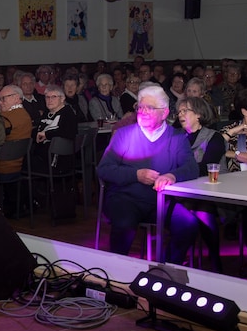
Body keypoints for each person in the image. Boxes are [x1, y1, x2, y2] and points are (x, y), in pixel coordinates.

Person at [98, 85, 199, 256]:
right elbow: (104, 169)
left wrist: (171, 176)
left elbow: (191, 169)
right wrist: (135, 175)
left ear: (164, 113)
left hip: (162, 200)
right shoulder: (124, 135)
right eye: (140, 107)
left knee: (188, 225)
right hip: (125, 198)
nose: (142, 112)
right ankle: (117, 270)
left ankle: (166, 269)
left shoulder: (176, 137)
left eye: (150, 108)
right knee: (124, 225)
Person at [166, 96, 227, 270]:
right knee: (189, 209)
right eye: (179, 112)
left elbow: (204, 168)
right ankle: (176, 261)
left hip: (212, 193)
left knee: (201, 209)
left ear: (199, 114)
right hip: (181, 192)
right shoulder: (177, 137)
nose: (180, 115)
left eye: (186, 111)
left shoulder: (214, 137)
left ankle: (173, 262)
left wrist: (178, 173)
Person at [33, 87, 80, 171]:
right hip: (43, 154)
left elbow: (69, 132)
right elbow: (38, 130)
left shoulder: (67, 112)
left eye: (54, 97)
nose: (50, 100)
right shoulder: (47, 112)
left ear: (62, 99)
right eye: (47, 97)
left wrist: (47, 134)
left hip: (57, 158)